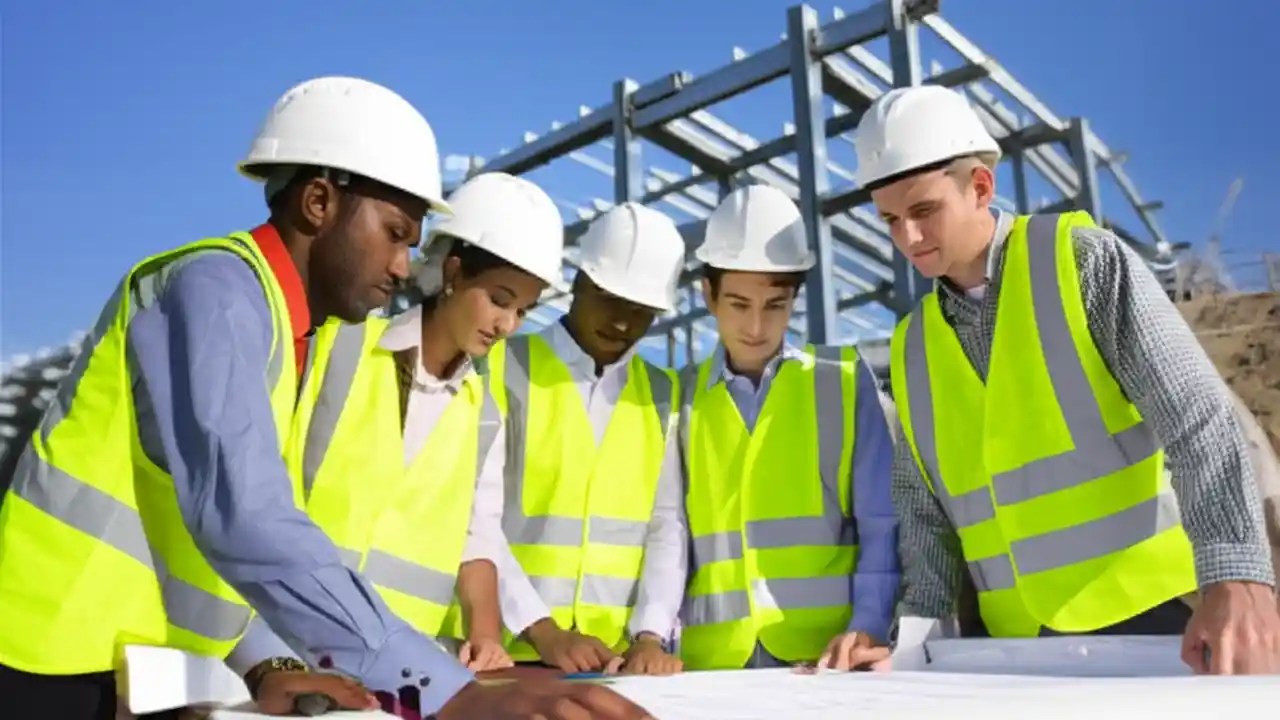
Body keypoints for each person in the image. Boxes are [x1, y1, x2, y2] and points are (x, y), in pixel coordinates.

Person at [0, 75, 654, 720]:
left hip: (127, 663)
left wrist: (264, 663)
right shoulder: (215, 291)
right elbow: (242, 514)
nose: (404, 268)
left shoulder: (286, 330)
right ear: (319, 202)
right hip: (44, 655)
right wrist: (443, 691)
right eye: (396, 233)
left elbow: (195, 527)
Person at [856, 84, 1280, 673]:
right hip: (1014, 652)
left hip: (1156, 621)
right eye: (890, 220)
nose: (908, 238)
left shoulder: (1081, 262)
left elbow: (1197, 417)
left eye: (924, 211)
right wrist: (910, 643)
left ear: (980, 186)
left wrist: (1235, 576)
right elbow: (926, 515)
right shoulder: (911, 345)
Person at [224, 170, 567, 692]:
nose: (508, 325)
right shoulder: (337, 347)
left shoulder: (484, 409)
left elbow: (478, 537)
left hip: (403, 673)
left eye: (523, 310)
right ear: (453, 271)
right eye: (499, 299)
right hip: (287, 652)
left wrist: (486, 634)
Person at [676, 184, 898, 672]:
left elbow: (881, 524)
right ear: (708, 295)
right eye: (738, 304)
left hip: (823, 660)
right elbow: (667, 535)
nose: (756, 325)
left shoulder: (842, 382)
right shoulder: (681, 397)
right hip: (712, 665)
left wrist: (868, 624)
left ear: (795, 299)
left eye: (775, 305)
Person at [474, 202, 688, 676]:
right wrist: (542, 629)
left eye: (642, 311)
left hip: (613, 662)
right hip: (505, 653)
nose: (622, 323)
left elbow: (666, 525)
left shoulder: (661, 394)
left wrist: (650, 634)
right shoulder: (503, 366)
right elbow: (474, 517)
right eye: (610, 299)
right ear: (578, 281)